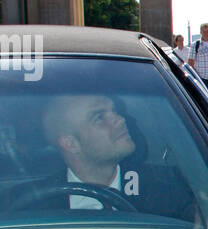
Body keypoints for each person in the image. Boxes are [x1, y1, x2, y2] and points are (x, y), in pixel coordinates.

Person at [41, 93, 197, 221]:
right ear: (71, 143)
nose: (121, 120)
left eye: (114, 111)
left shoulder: (168, 187)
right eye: (99, 117)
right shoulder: (39, 204)